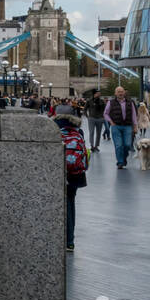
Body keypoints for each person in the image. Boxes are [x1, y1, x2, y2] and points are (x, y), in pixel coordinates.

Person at [54, 103, 88, 253]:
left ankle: (67, 240)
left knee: (64, 204)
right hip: (75, 173)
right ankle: (71, 240)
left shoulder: (52, 129)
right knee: (71, 202)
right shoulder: (78, 131)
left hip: (59, 172)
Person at [105, 86, 139, 169]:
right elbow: (105, 113)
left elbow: (134, 115)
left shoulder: (130, 102)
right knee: (118, 145)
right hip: (116, 126)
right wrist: (111, 122)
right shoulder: (111, 102)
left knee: (127, 145)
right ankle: (120, 162)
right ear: (115, 93)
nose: (120, 93)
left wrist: (135, 126)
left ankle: (123, 158)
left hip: (127, 126)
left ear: (124, 92)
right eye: (118, 91)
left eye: (122, 91)